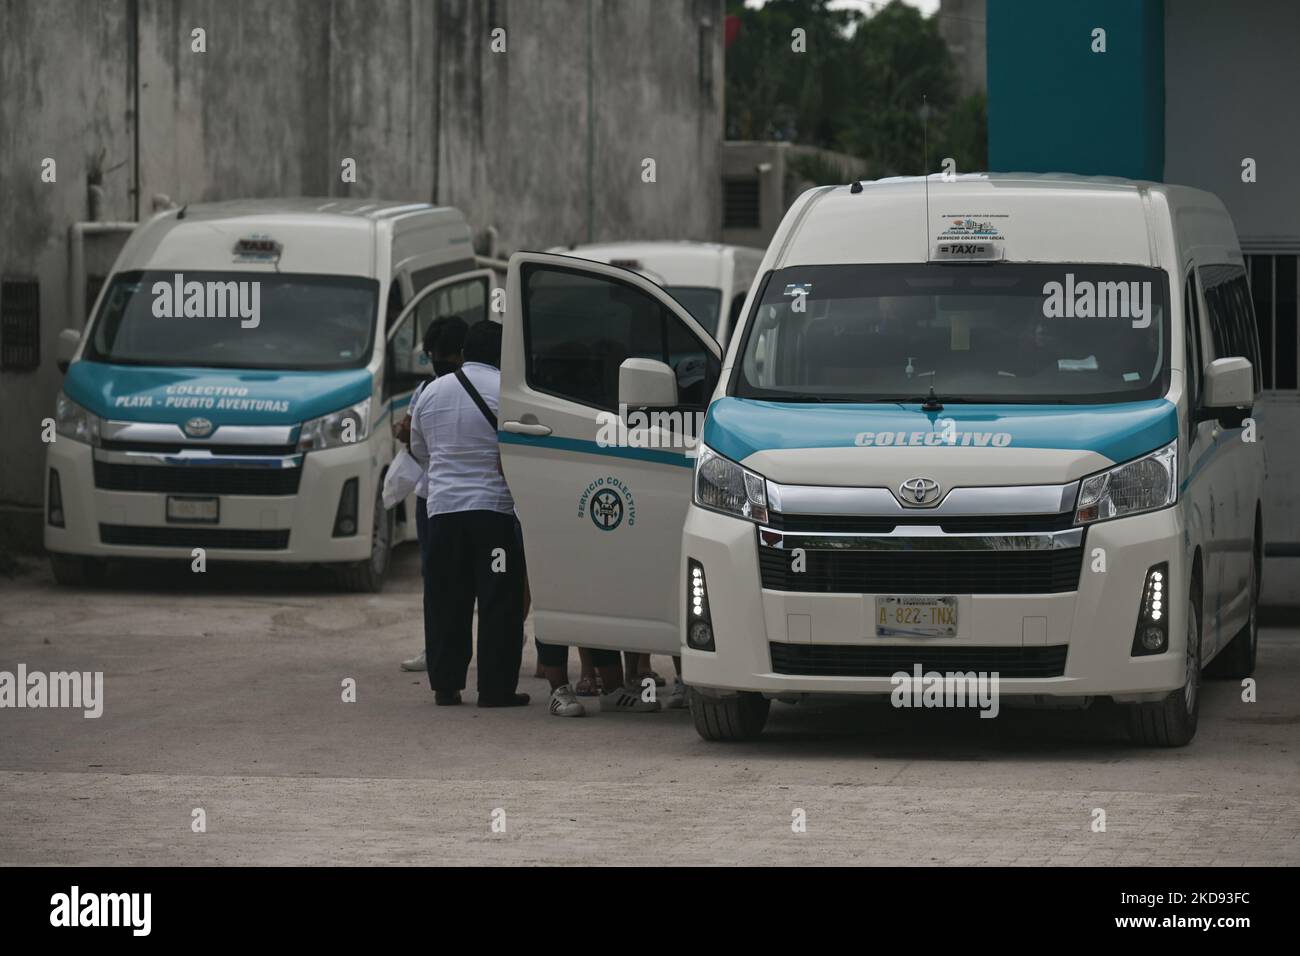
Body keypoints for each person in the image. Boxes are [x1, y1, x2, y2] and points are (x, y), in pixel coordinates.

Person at [411, 320, 528, 707]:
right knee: (498, 600)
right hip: (492, 515)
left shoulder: (430, 393)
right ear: (502, 355)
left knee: (446, 597)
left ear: (464, 353)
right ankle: (495, 689)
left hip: (442, 513)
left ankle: (446, 685)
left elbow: (421, 450)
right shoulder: (507, 393)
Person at [398, 316, 468, 672]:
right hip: (433, 498)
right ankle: (435, 645)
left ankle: (442, 648)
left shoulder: (433, 391)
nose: (437, 360)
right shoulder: (424, 391)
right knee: (436, 576)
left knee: (444, 577)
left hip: (439, 498)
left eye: (440, 353)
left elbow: (415, 442)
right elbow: (412, 434)